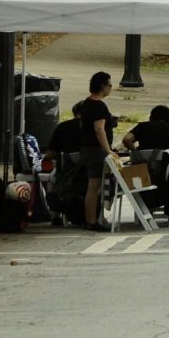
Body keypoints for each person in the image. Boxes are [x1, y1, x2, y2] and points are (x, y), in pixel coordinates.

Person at [75, 71, 117, 231]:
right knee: (94, 184)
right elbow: (99, 129)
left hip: (87, 147)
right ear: (102, 86)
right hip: (96, 149)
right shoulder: (98, 106)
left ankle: (94, 218)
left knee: (94, 184)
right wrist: (108, 150)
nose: (111, 88)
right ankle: (91, 220)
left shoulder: (86, 104)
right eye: (109, 84)